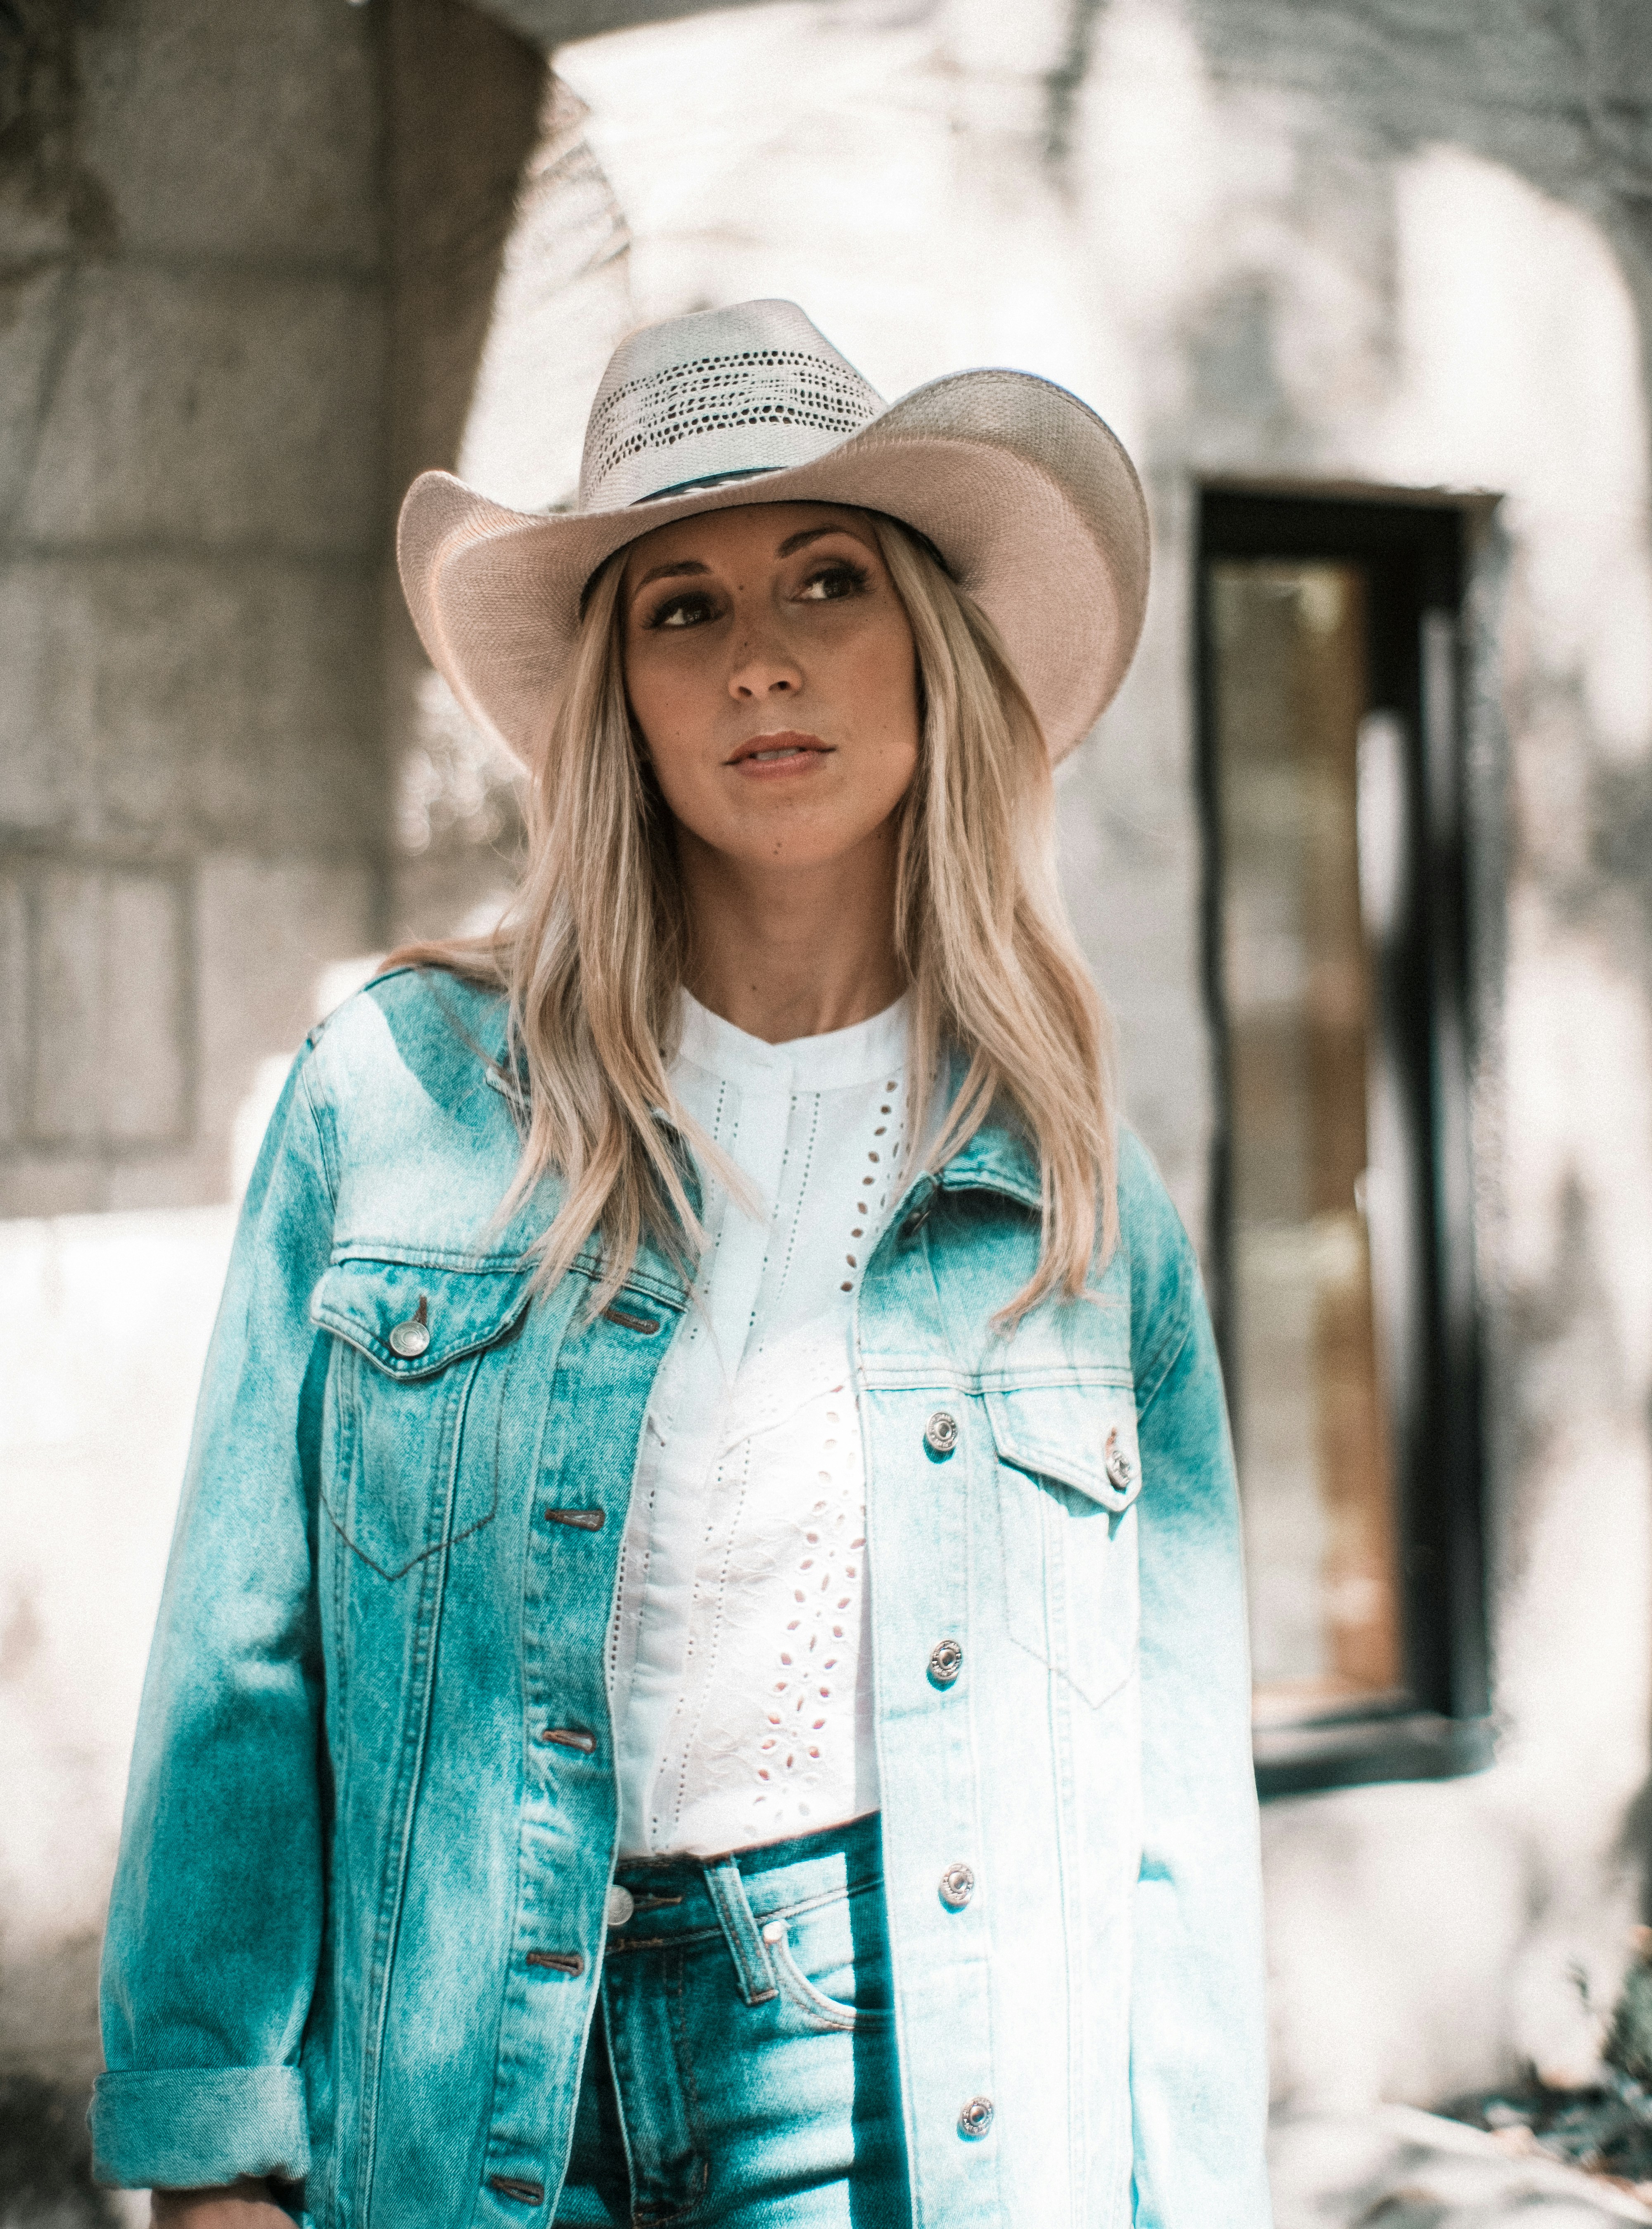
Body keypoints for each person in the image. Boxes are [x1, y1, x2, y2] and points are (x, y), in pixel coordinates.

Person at [92, 300, 1271, 2229]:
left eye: (828, 579)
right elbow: (246, 1656)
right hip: (466, 2062)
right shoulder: (394, 1101)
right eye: (683, 608)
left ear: (929, 649)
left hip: (881, 2074)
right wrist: (213, 2153)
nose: (765, 663)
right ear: (615, 693)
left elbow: (1168, 1813)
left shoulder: (1063, 1188)